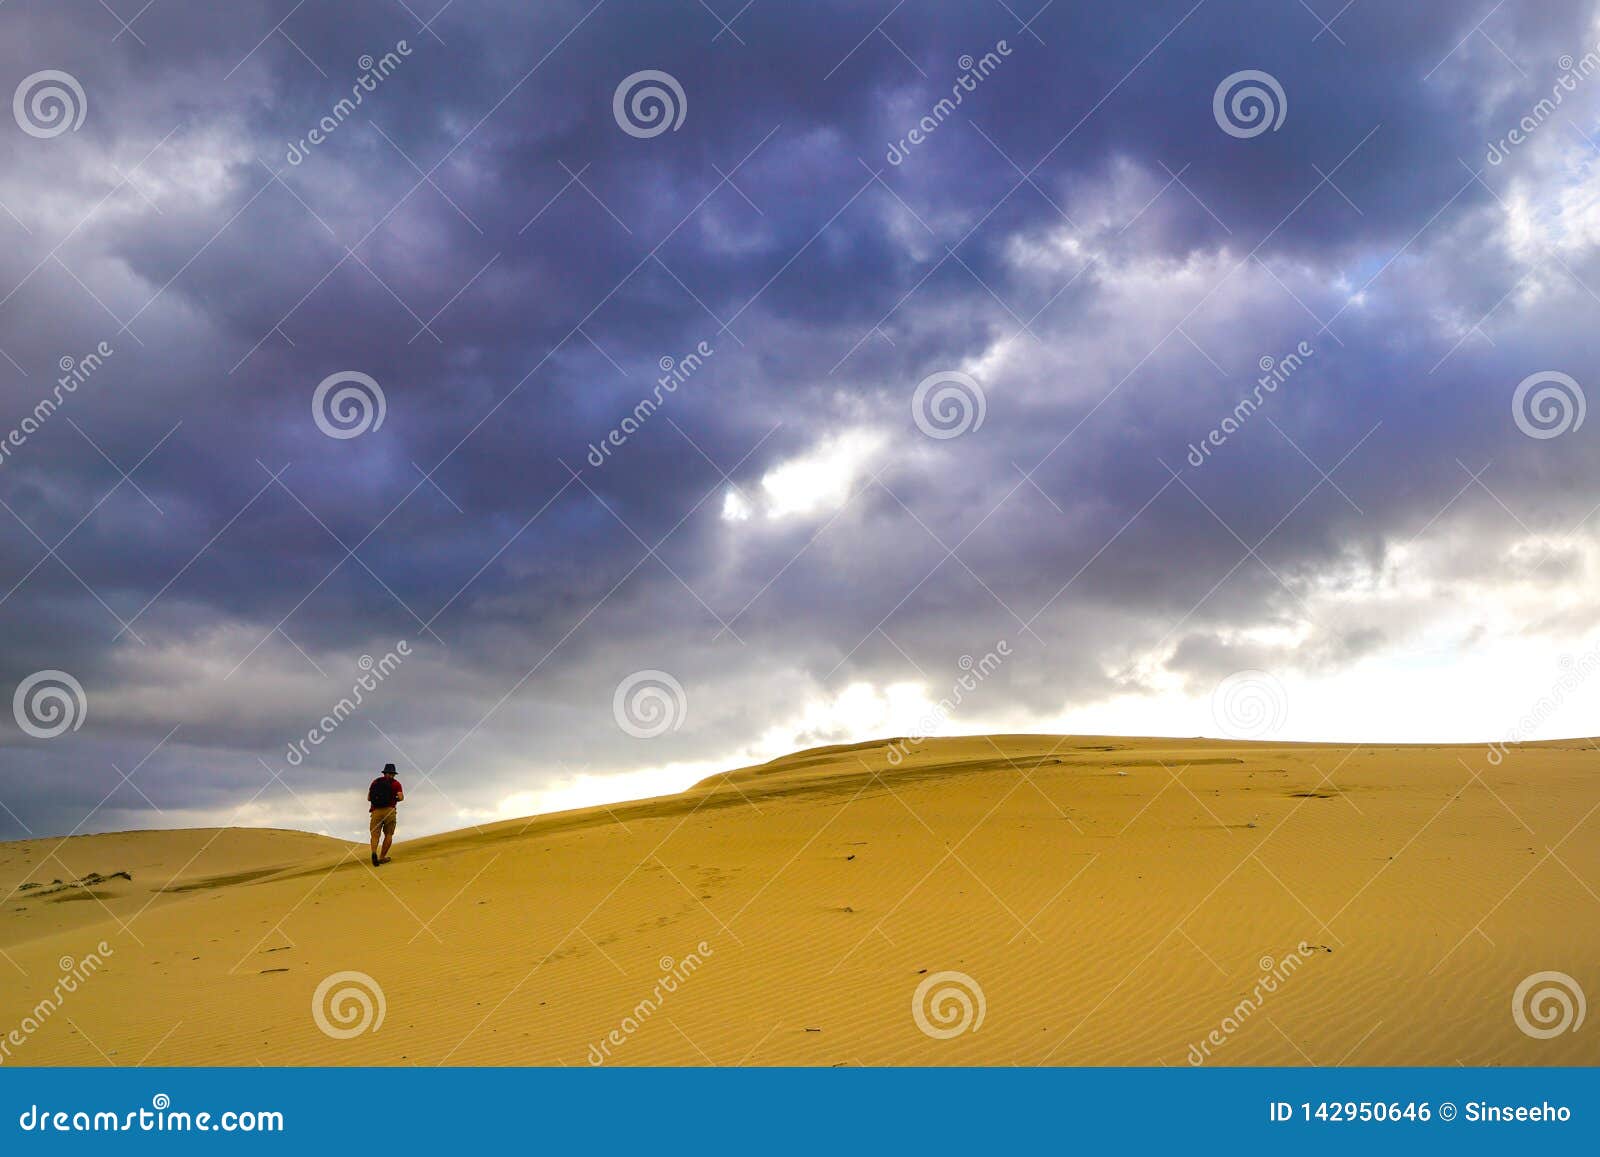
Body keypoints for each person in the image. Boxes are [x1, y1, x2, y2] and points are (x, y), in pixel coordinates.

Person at [367, 763, 404, 866]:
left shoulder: (375, 782)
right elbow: (401, 798)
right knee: (388, 834)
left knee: (375, 835)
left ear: (384, 773)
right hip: (390, 811)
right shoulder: (396, 783)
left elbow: (369, 798)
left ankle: (374, 853)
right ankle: (382, 857)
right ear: (393, 774)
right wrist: (394, 799)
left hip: (376, 811)